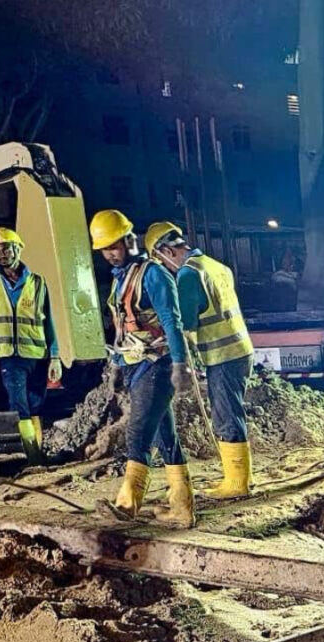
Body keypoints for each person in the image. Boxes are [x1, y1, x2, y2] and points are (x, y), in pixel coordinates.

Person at [155, 226, 257, 504]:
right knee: (230, 410)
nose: (166, 269)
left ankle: (237, 484)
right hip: (238, 348)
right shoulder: (214, 265)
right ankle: (238, 476)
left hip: (223, 354)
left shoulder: (189, 274)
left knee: (226, 414)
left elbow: (185, 320)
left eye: (163, 263)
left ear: (167, 252)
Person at [110, 221, 194, 526]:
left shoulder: (153, 274)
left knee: (138, 431)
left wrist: (179, 365)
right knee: (164, 435)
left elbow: (172, 322)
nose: (110, 253)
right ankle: (182, 507)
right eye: (105, 248)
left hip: (157, 364)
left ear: (130, 241)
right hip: (136, 365)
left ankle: (127, 503)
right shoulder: (121, 278)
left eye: (115, 246)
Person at [0, 226, 63, 456]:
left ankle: (37, 450)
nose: (2, 253)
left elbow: (49, 322)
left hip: (37, 355)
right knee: (19, 406)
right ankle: (32, 457)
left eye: (6, 248)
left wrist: (55, 356)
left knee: (35, 405)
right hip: (9, 355)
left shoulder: (37, 283)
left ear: (18, 248)